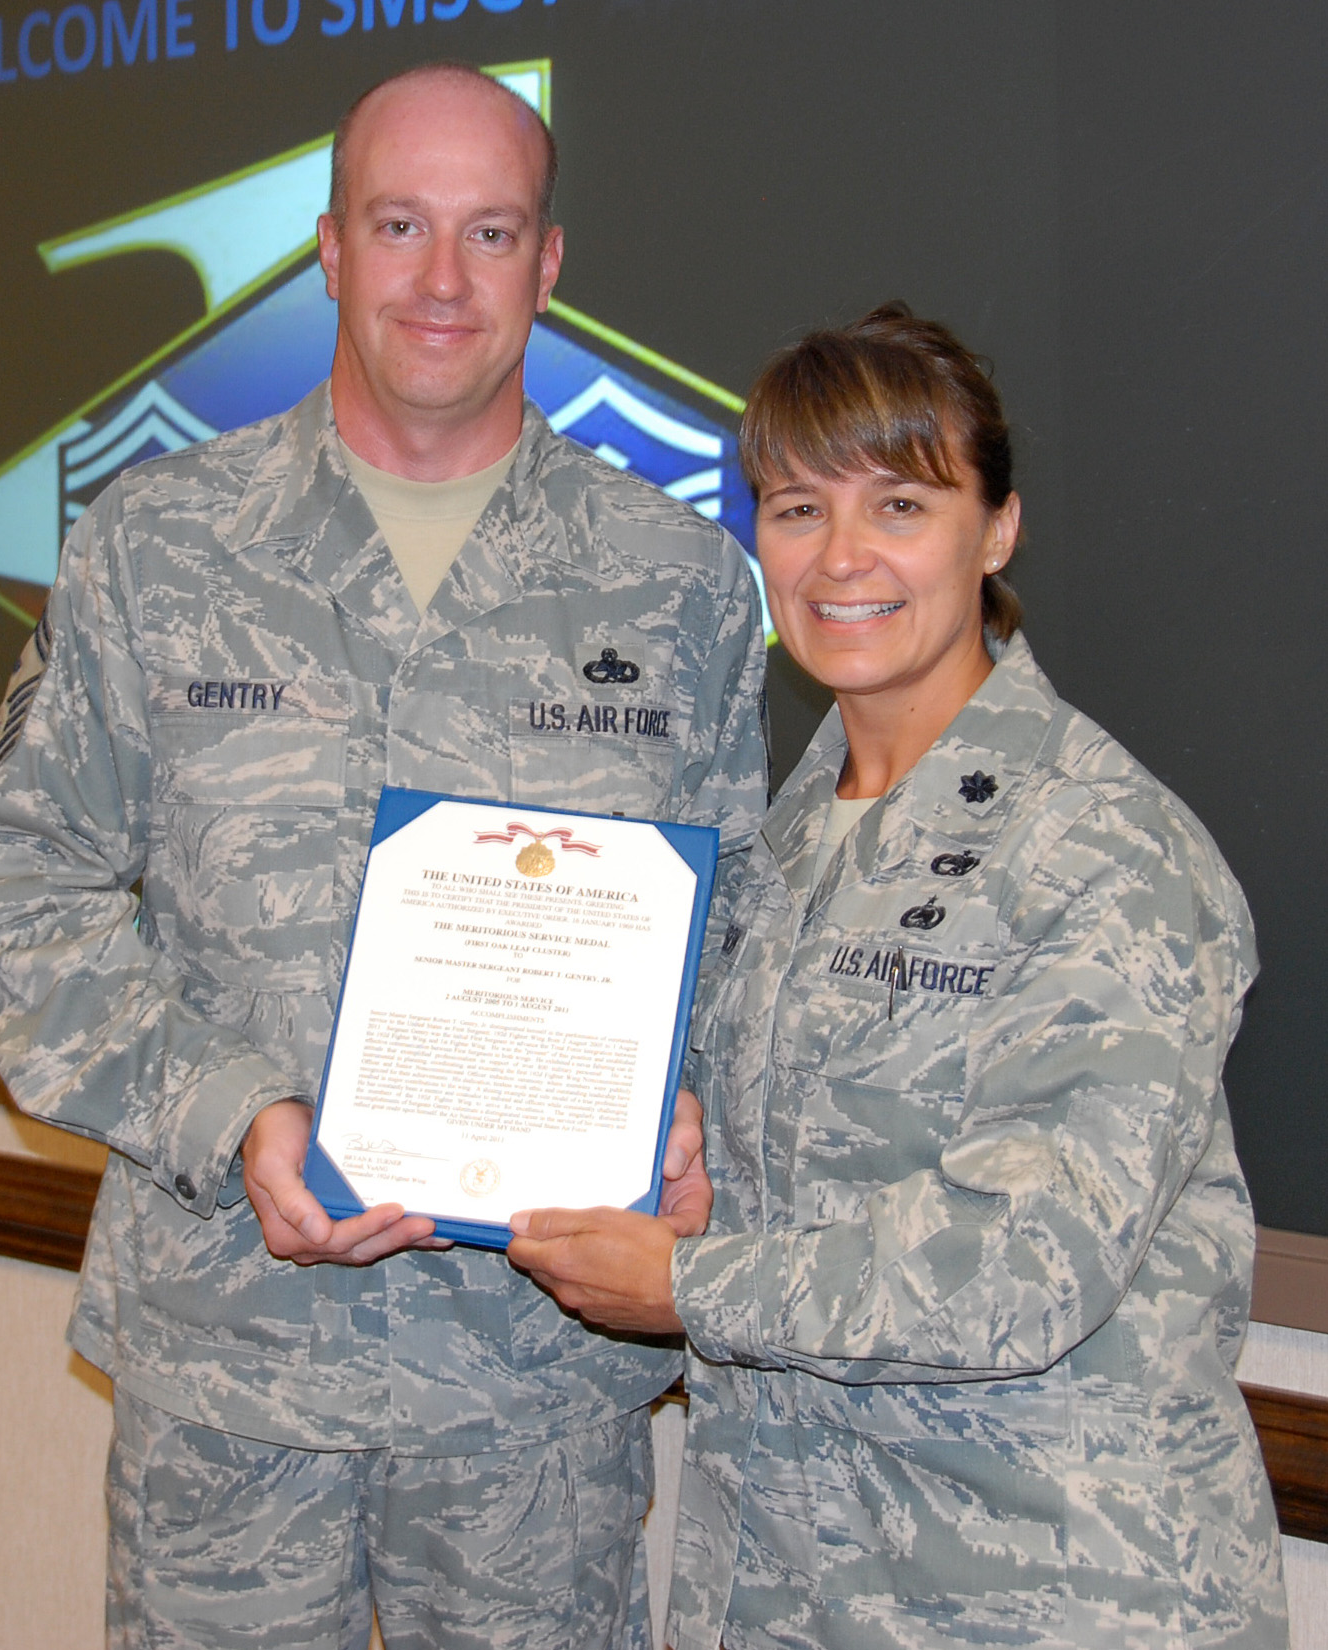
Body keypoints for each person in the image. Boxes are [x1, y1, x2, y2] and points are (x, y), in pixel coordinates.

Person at [0, 63, 766, 1650]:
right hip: (233, 1376)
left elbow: (735, 930)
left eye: (489, 231)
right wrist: (224, 1108)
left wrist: (694, 1117)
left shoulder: (678, 585)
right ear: (326, 248)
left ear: (550, 261)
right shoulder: (156, 549)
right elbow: (16, 872)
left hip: (535, 1389)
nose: (442, 281)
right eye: (399, 225)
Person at [508, 304, 1289, 1649]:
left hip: (1046, 1597)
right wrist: (692, 1187)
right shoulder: (786, 839)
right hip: (789, 1579)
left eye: (902, 504)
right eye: (799, 507)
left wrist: (691, 1282)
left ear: (996, 530)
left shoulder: (1106, 852)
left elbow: (1027, 1262)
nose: (844, 557)